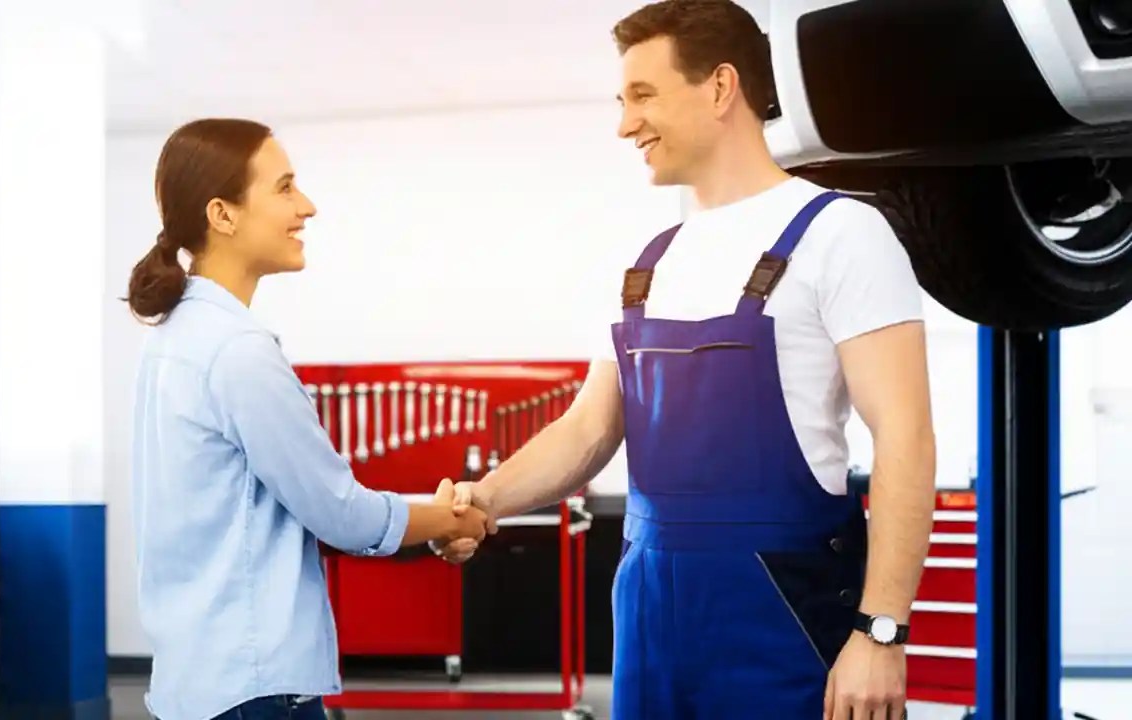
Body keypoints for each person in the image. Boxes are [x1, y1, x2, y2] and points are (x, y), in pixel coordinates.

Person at [434, 2, 937, 718]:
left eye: (643, 96)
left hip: (784, 611)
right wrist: (485, 502)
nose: (624, 124)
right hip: (650, 617)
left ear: (721, 87)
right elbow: (587, 431)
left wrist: (880, 631)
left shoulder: (843, 234)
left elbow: (906, 436)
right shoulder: (644, 263)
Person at [125, 118, 488, 720]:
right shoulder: (238, 351)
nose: (307, 207)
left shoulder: (174, 338)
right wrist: (449, 518)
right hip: (253, 688)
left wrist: (430, 519)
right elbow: (340, 513)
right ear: (223, 214)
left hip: (195, 683)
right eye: (286, 188)